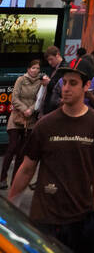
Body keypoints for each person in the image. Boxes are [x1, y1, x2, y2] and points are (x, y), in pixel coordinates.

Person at [7, 66, 94, 253]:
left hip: (80, 220)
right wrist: (12, 207)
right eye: (64, 82)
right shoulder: (46, 124)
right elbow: (27, 168)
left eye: (73, 83)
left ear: (86, 86)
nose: (66, 88)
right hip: (45, 218)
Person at [0, 58, 42, 188]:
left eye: (38, 68)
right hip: (17, 117)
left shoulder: (41, 83)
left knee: (22, 152)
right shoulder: (21, 80)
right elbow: (15, 97)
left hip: (30, 120)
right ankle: (2, 178)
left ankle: (15, 181)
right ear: (28, 69)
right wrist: (25, 109)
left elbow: (40, 98)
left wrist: (32, 109)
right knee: (12, 147)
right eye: (33, 68)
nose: (35, 70)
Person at [40, 45, 65, 117]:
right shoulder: (54, 68)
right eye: (48, 60)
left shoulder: (64, 68)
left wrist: (49, 82)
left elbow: (61, 87)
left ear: (57, 55)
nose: (49, 62)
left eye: (51, 59)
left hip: (56, 108)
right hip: (50, 107)